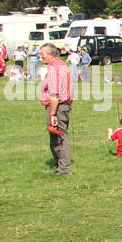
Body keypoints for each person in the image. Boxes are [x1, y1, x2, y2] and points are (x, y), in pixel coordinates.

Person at [39, 44, 73, 174]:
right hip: (64, 105)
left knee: (59, 136)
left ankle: (64, 168)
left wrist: (52, 114)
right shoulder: (64, 66)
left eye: (43, 54)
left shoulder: (54, 69)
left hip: (57, 107)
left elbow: (55, 95)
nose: (41, 57)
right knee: (57, 135)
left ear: (51, 54)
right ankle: (59, 164)